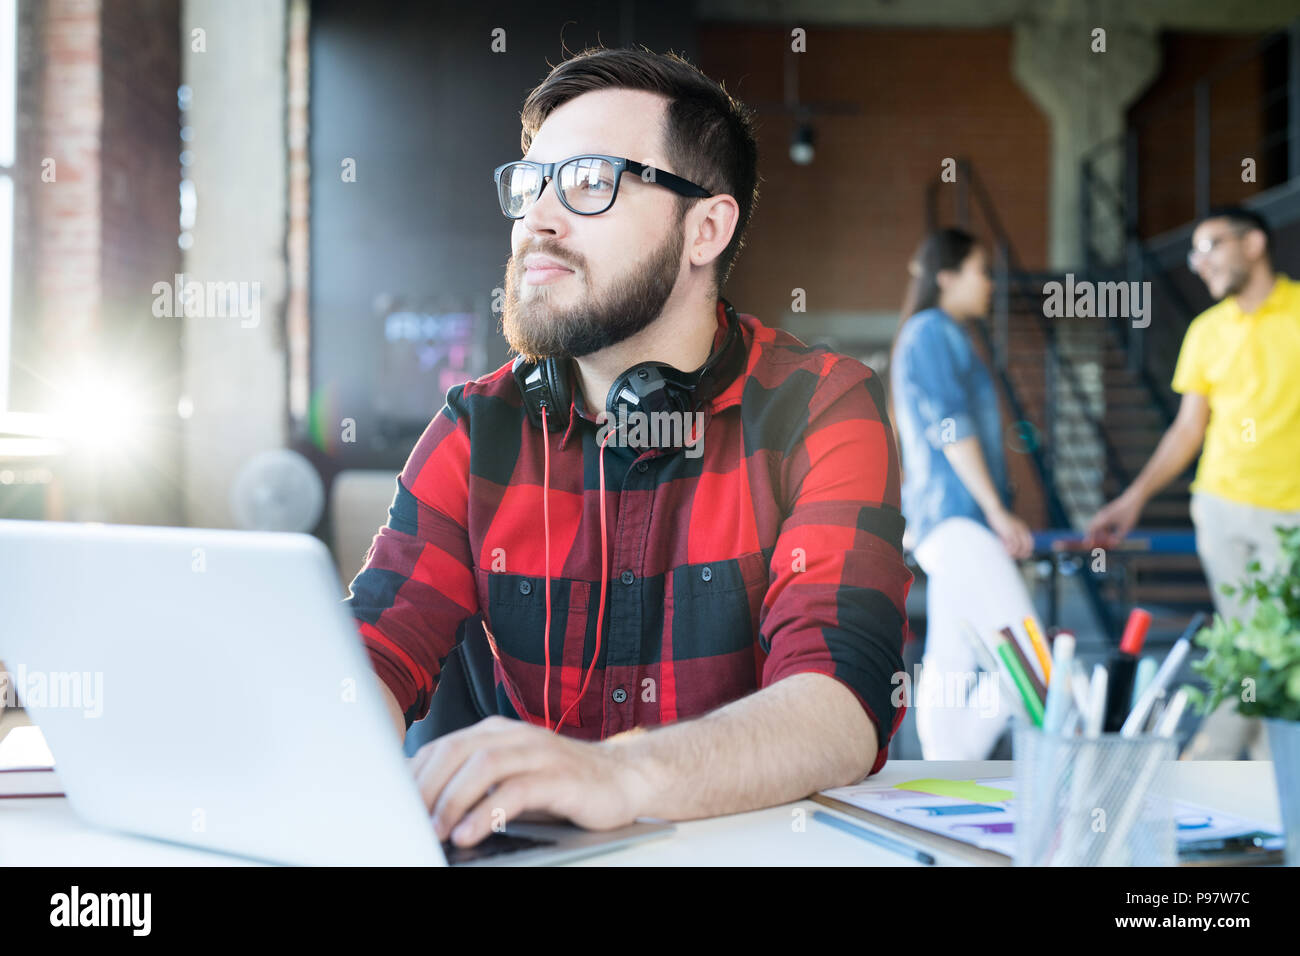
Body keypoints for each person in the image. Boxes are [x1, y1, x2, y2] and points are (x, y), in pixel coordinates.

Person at [345, 46, 912, 849]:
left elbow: (840, 706)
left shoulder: (820, 407)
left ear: (705, 228)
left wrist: (618, 774)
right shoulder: (477, 430)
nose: (537, 218)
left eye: (588, 182)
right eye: (531, 184)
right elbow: (369, 656)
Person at [1086, 207, 1300, 760]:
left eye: (1211, 246)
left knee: (1269, 651)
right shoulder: (1206, 332)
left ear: (1253, 244)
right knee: (1250, 644)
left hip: (1291, 517)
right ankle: (1252, 781)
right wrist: (1133, 499)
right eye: (1194, 253)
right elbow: (1188, 430)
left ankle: (1207, 763)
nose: (1199, 263)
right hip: (1221, 509)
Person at [889, 228, 1040, 760]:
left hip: (948, 524)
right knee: (1032, 661)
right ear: (946, 277)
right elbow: (948, 428)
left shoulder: (937, 333)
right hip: (957, 521)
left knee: (954, 668)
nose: (991, 285)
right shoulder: (932, 330)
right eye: (982, 271)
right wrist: (998, 512)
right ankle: (1078, 786)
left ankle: (946, 771)